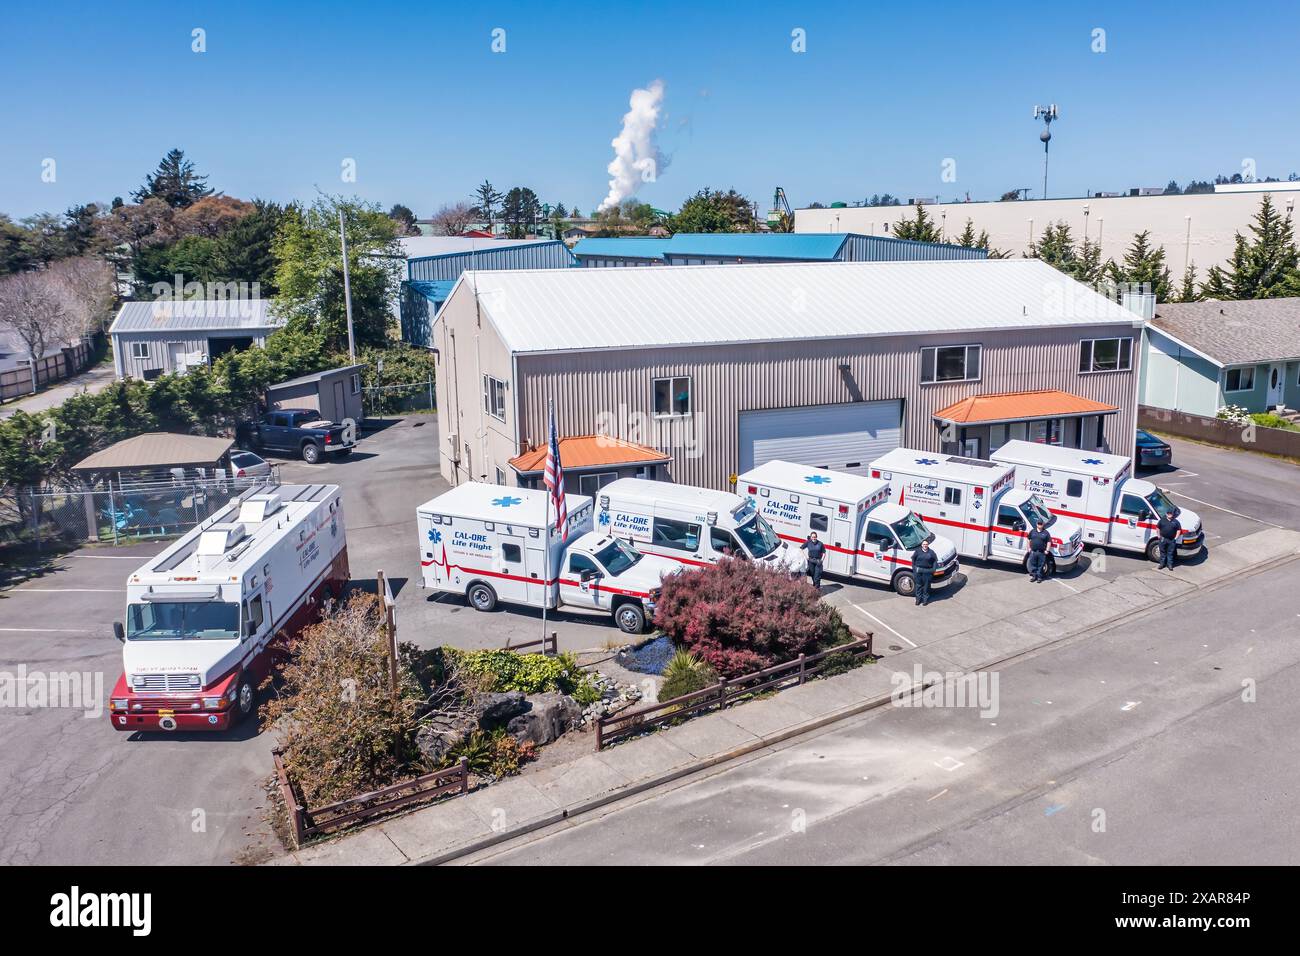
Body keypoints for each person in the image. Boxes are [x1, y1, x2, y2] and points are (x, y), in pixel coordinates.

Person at [911, 537, 937, 606]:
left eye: (926, 544)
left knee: (926, 587)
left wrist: (933, 570)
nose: (925, 545)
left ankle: (925, 600)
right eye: (924, 544)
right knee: (918, 586)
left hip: (927, 572)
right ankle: (918, 600)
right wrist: (914, 569)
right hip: (918, 572)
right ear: (921, 545)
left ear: (928, 545)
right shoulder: (917, 551)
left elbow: (935, 561)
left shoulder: (931, 552)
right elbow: (913, 560)